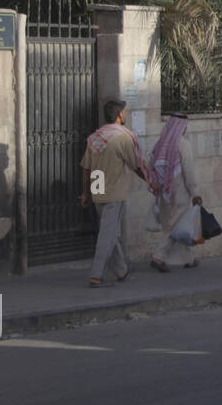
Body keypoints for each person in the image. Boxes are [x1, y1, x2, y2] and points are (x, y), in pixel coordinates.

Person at [80, 99, 160, 287]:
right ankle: (96, 274)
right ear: (119, 115)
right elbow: (137, 165)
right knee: (107, 235)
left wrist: (85, 194)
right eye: (124, 112)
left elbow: (86, 168)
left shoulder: (95, 138)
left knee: (111, 231)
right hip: (114, 191)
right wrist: (151, 182)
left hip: (97, 189)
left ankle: (121, 270)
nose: (125, 114)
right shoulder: (123, 138)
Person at [148, 113, 203, 272]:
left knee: (180, 225)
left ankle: (190, 258)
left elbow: (151, 163)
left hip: (165, 192)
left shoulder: (160, 144)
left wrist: (157, 184)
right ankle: (158, 257)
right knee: (175, 226)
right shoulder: (182, 144)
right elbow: (188, 170)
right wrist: (195, 193)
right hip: (180, 192)